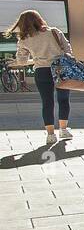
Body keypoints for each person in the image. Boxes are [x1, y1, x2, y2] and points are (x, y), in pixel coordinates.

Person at [7, 9, 73, 146]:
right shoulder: (54, 32)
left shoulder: (24, 39)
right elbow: (68, 51)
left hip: (41, 71)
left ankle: (50, 135)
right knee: (63, 99)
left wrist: (34, 60)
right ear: (39, 19)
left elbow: (22, 61)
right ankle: (63, 130)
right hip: (60, 69)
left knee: (47, 102)